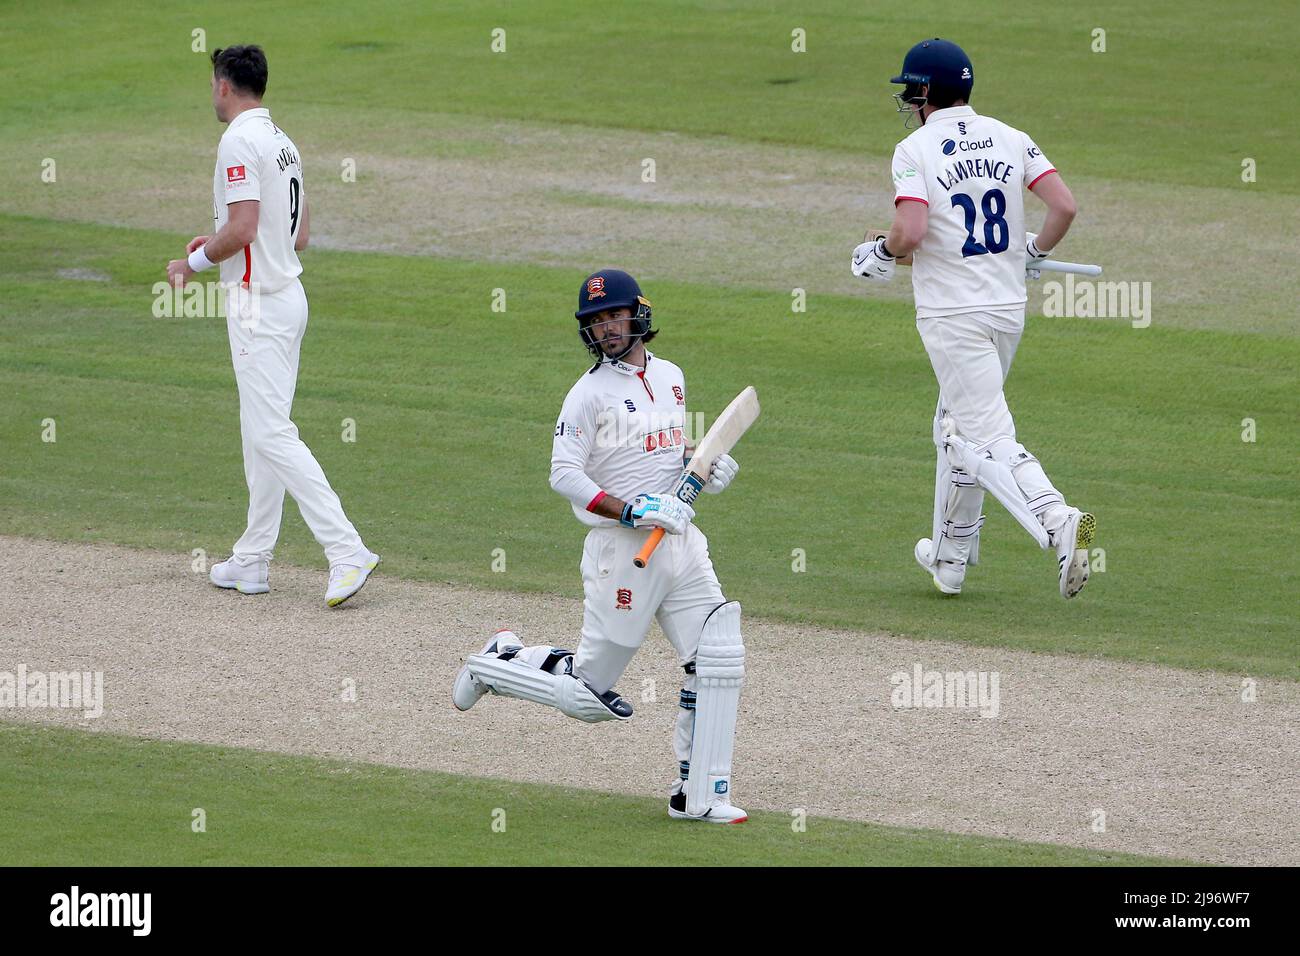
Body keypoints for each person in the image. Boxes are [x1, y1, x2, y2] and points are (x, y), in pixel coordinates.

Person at [451, 269, 748, 823]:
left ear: (639, 314)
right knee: (587, 697)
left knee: (716, 660)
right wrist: (632, 507)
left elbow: (664, 447)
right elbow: (564, 474)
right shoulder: (586, 395)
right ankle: (499, 662)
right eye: (596, 321)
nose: (607, 328)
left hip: (681, 544)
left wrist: (700, 463)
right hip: (622, 552)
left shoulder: (672, 375)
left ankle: (697, 795)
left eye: (614, 315)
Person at [853, 37, 1095, 598]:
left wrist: (881, 256)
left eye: (910, 88)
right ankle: (949, 558)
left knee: (985, 436)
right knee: (955, 428)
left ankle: (1058, 519)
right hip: (1006, 309)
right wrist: (1031, 254)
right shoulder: (1012, 138)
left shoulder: (913, 148)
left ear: (924, 93)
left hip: (951, 316)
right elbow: (1064, 207)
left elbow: (911, 234)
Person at [166, 45, 378, 607]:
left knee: (270, 432)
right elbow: (296, 235)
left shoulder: (238, 139)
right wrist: (218, 244)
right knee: (260, 427)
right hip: (289, 297)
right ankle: (253, 558)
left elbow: (242, 227)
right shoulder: (283, 142)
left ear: (223, 86)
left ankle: (347, 549)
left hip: (258, 304)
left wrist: (193, 262)